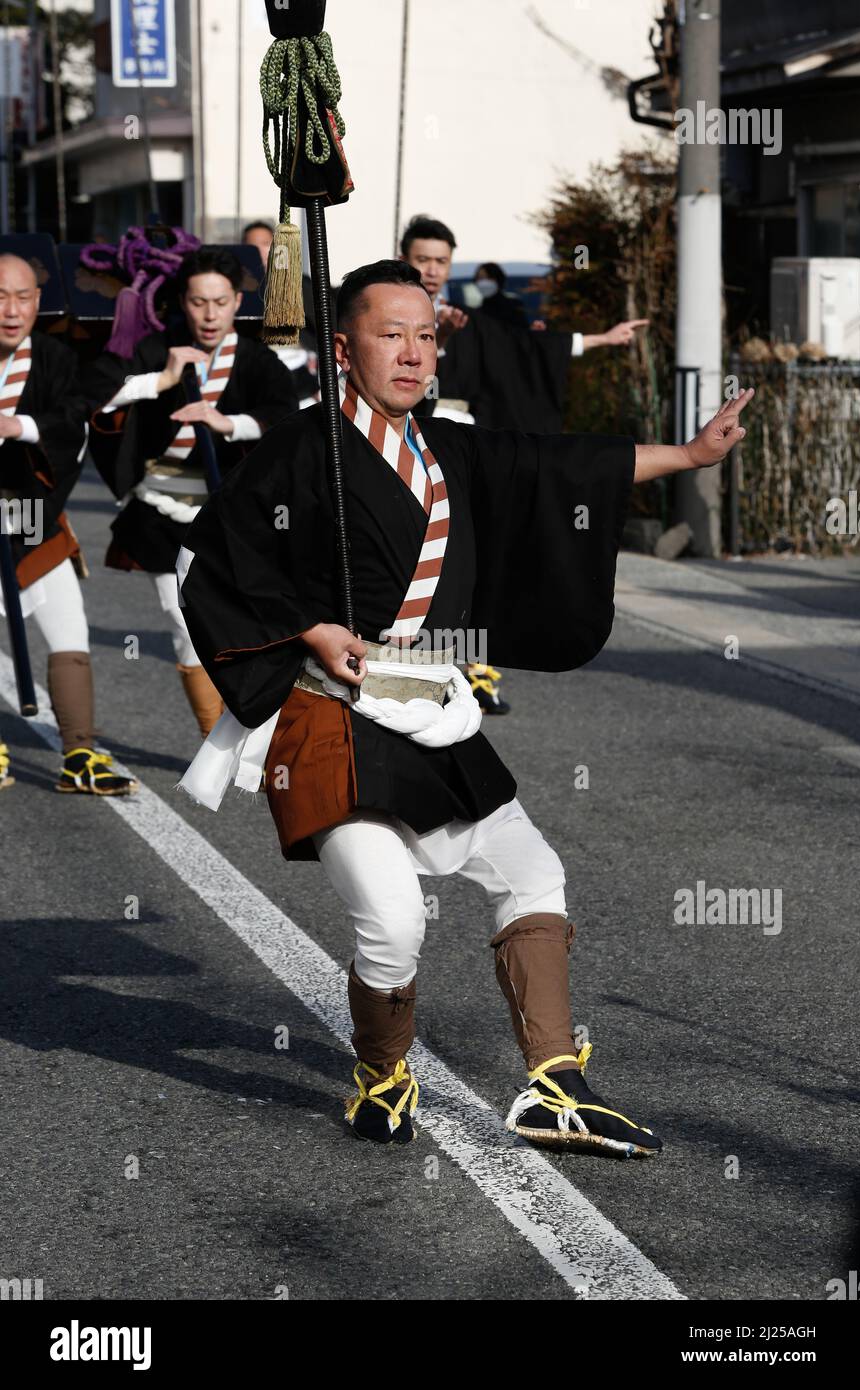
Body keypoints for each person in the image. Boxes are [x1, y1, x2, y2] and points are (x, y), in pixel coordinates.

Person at [176, 259, 752, 1154]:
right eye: (390, 335)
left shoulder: (450, 447)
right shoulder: (298, 450)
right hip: (331, 716)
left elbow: (557, 466)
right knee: (394, 921)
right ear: (342, 350)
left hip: (430, 707)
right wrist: (312, 627)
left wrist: (687, 456)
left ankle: (554, 1084)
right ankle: (380, 1071)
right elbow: (215, 563)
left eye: (425, 335)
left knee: (532, 871)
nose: (413, 353)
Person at [401, 217, 648, 715]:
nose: (431, 269)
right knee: (414, 561)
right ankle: (412, 668)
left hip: (465, 456)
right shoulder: (386, 319)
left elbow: (530, 350)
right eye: (422, 259)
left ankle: (476, 670)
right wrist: (436, 342)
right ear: (404, 257)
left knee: (473, 561)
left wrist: (602, 339)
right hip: (404, 449)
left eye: (441, 260)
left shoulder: (471, 321)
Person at [83, 247, 299, 739]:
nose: (209, 314)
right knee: (186, 627)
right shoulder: (158, 349)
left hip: (235, 518)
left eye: (220, 302)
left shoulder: (258, 361)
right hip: (160, 513)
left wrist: (228, 422)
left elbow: (286, 420)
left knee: (246, 625)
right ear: (183, 301)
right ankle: (214, 745)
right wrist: (159, 380)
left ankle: (256, 740)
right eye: (199, 302)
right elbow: (96, 398)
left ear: (237, 301)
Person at [0, 254, 136, 795]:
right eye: (0, 298)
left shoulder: (55, 358)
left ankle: (79, 753)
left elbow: (73, 418)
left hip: (34, 517)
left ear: (40, 301)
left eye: (23, 297)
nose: (12, 311)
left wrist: (20, 426)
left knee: (70, 630)